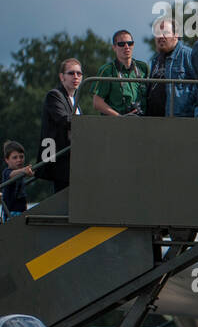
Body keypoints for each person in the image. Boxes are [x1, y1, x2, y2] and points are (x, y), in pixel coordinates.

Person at [39, 59, 82, 191]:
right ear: (62, 76)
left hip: (74, 160)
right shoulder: (54, 95)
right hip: (60, 160)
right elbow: (64, 120)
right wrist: (87, 124)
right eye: (71, 73)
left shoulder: (75, 99)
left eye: (79, 73)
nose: (76, 76)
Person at [146, 17, 197, 117]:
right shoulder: (155, 60)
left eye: (165, 32)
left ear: (176, 35)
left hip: (178, 120)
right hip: (153, 120)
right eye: (157, 33)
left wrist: (187, 106)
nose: (161, 36)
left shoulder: (188, 55)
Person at [90, 30, 148, 116]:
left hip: (143, 122)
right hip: (115, 124)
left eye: (130, 43)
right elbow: (97, 102)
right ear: (114, 47)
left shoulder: (143, 67)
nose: (126, 47)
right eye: (122, 44)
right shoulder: (107, 70)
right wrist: (120, 117)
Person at [1, 141, 33, 220]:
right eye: (15, 157)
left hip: (22, 210)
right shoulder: (7, 172)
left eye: (21, 157)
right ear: (7, 160)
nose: (19, 160)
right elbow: (11, 174)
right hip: (11, 212)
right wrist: (24, 171)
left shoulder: (21, 172)